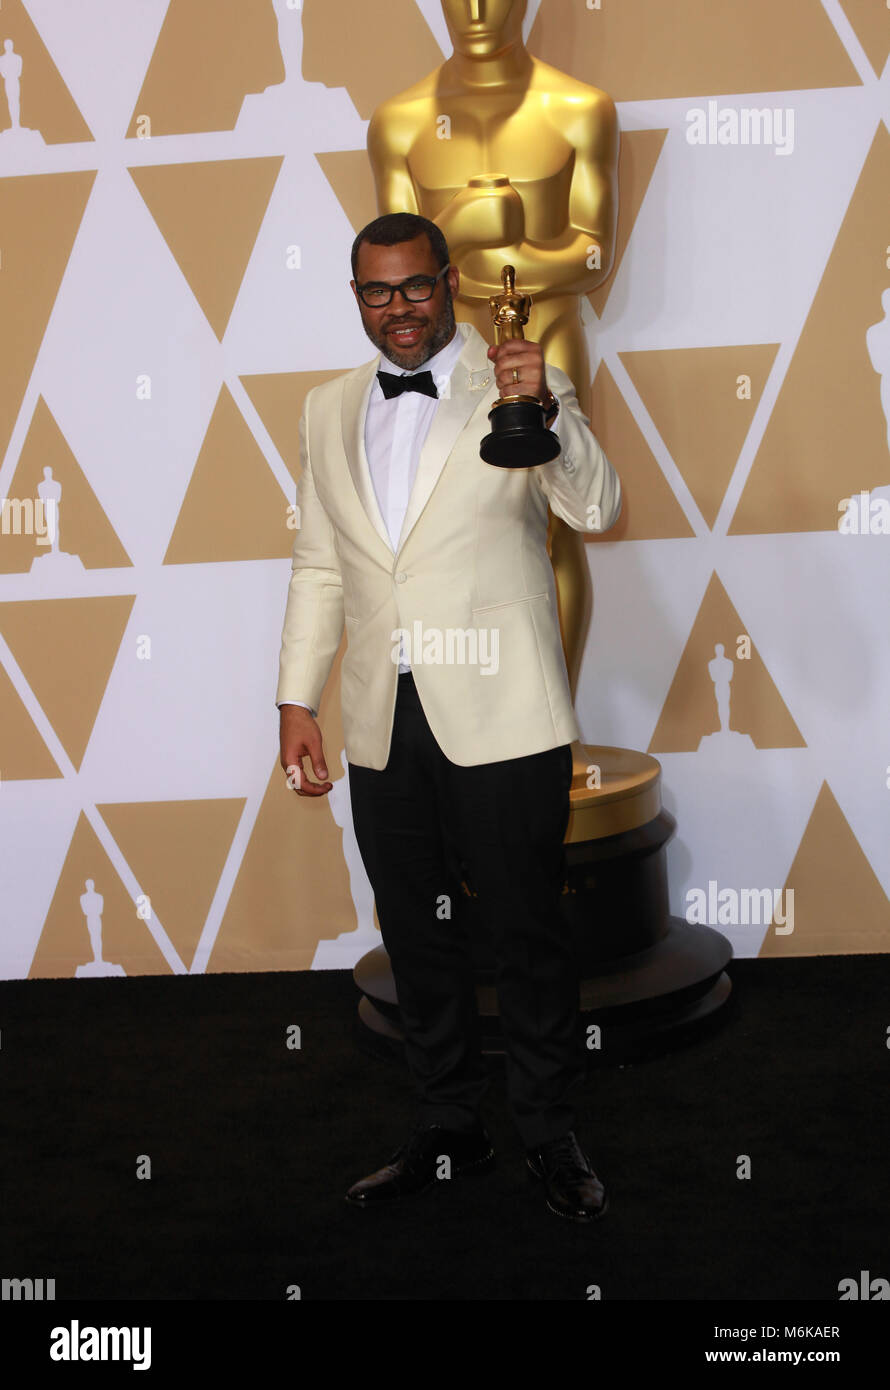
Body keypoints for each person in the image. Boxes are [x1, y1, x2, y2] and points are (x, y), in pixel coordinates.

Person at [276, 212, 621, 1222]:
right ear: (357, 298)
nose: (398, 310)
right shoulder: (325, 407)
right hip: (384, 712)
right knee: (416, 931)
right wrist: (295, 696)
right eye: (377, 293)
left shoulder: (512, 376)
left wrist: (541, 408)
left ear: (451, 281)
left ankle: (547, 1128)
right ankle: (446, 1124)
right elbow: (318, 562)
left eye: (415, 287)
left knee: (523, 929)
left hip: (503, 710)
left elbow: (594, 507)